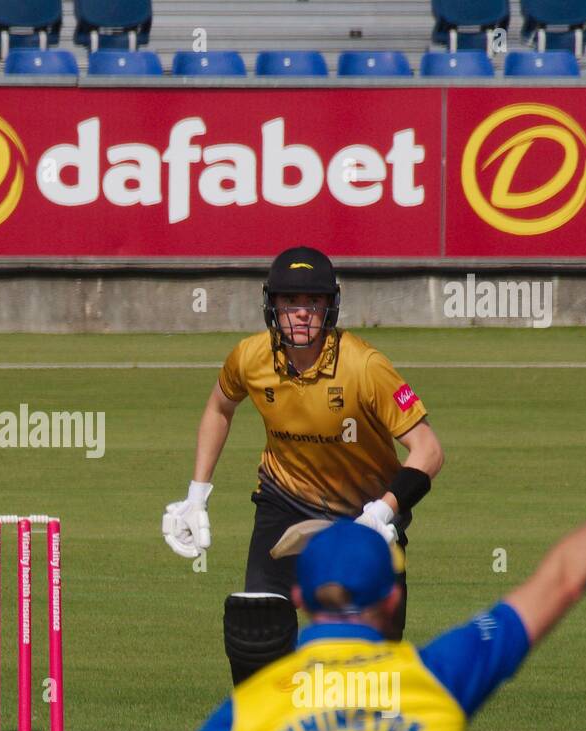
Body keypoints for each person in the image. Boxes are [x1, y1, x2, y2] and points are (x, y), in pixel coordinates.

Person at [122, 379, 586, 731]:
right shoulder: (437, 679)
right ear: (391, 597)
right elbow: (562, 582)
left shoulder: (246, 712)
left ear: (298, 597)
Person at [162, 246, 444, 684]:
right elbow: (219, 408)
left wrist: (382, 511)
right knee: (258, 627)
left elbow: (428, 451)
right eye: (289, 302)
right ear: (271, 306)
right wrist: (196, 497)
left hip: (364, 515)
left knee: (370, 664)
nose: (301, 314)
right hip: (284, 502)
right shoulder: (250, 358)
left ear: (330, 307)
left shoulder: (365, 366)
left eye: (312, 303)